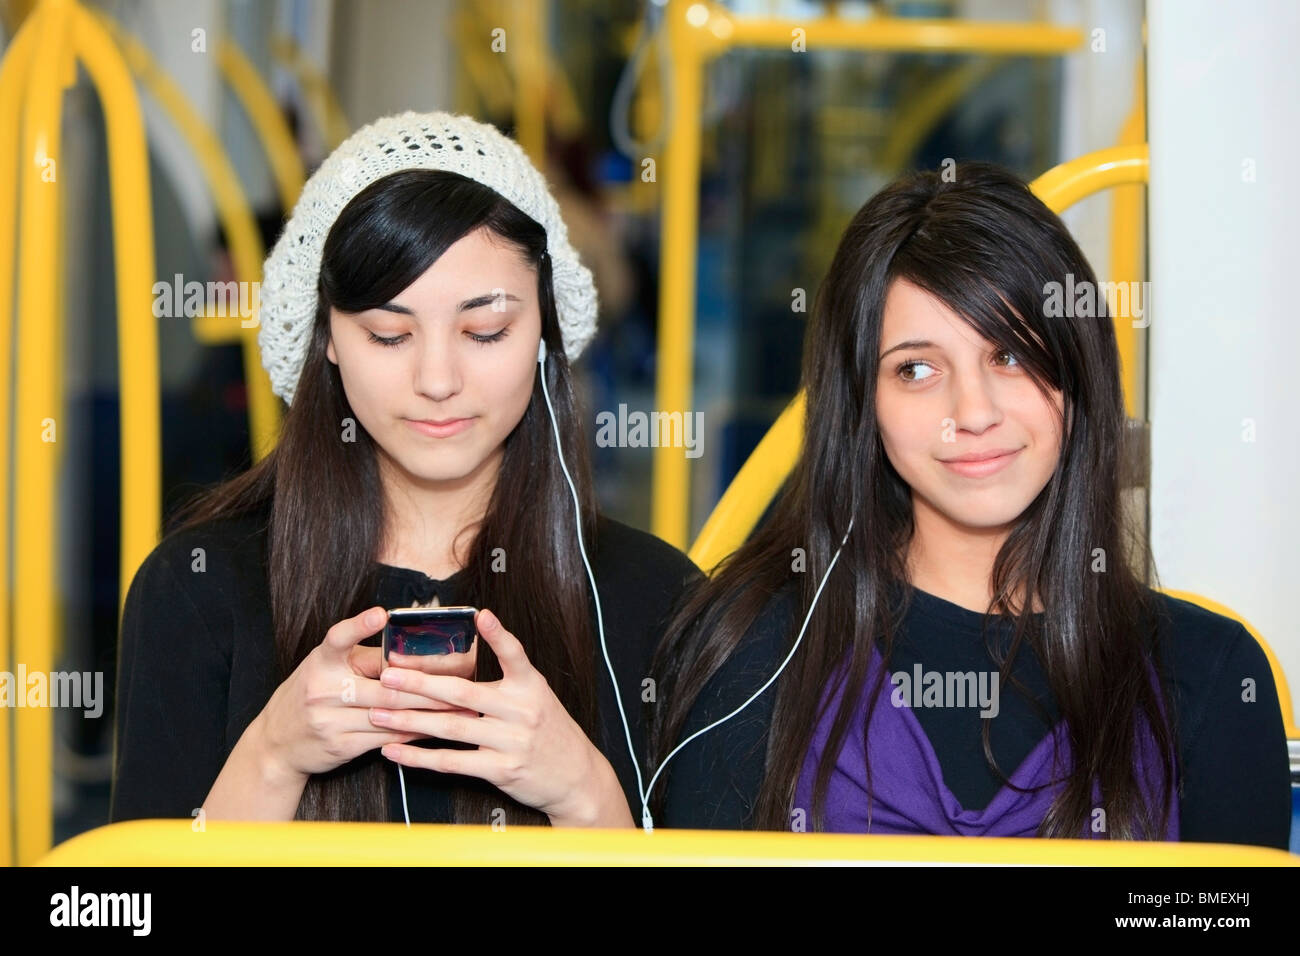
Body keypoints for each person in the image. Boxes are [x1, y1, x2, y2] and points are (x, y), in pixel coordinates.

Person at [648, 162, 1291, 847]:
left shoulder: (1207, 674)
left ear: (1078, 369)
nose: (972, 412)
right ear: (863, 402)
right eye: (916, 369)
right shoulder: (756, 646)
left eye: (1010, 355)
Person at [110, 111, 701, 828]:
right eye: (389, 335)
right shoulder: (200, 590)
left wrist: (584, 793)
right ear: (326, 336)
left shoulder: (658, 603)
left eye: (485, 331)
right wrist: (273, 754)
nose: (438, 378)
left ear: (545, 327)